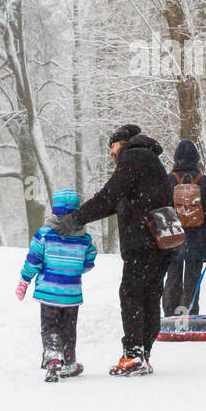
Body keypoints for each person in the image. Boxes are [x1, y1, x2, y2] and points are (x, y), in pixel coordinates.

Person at [49, 124, 174, 376]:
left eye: (113, 146)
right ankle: (142, 354)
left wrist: (73, 220)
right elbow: (115, 202)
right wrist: (80, 218)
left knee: (132, 296)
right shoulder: (150, 161)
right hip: (163, 240)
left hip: (143, 241)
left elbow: (108, 196)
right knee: (150, 296)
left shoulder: (133, 157)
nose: (111, 153)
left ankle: (133, 354)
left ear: (125, 142)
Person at [16, 189, 97, 382]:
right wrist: (75, 270)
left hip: (49, 293)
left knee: (50, 326)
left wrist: (24, 280)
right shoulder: (84, 239)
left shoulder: (44, 234)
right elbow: (90, 260)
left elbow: (33, 260)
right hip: (71, 295)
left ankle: (53, 359)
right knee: (69, 329)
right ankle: (69, 363)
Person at [162, 139, 206, 317]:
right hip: (198, 238)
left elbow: (163, 210)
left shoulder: (168, 180)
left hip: (174, 238)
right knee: (192, 281)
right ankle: (190, 315)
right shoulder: (203, 181)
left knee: (172, 279)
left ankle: (171, 315)